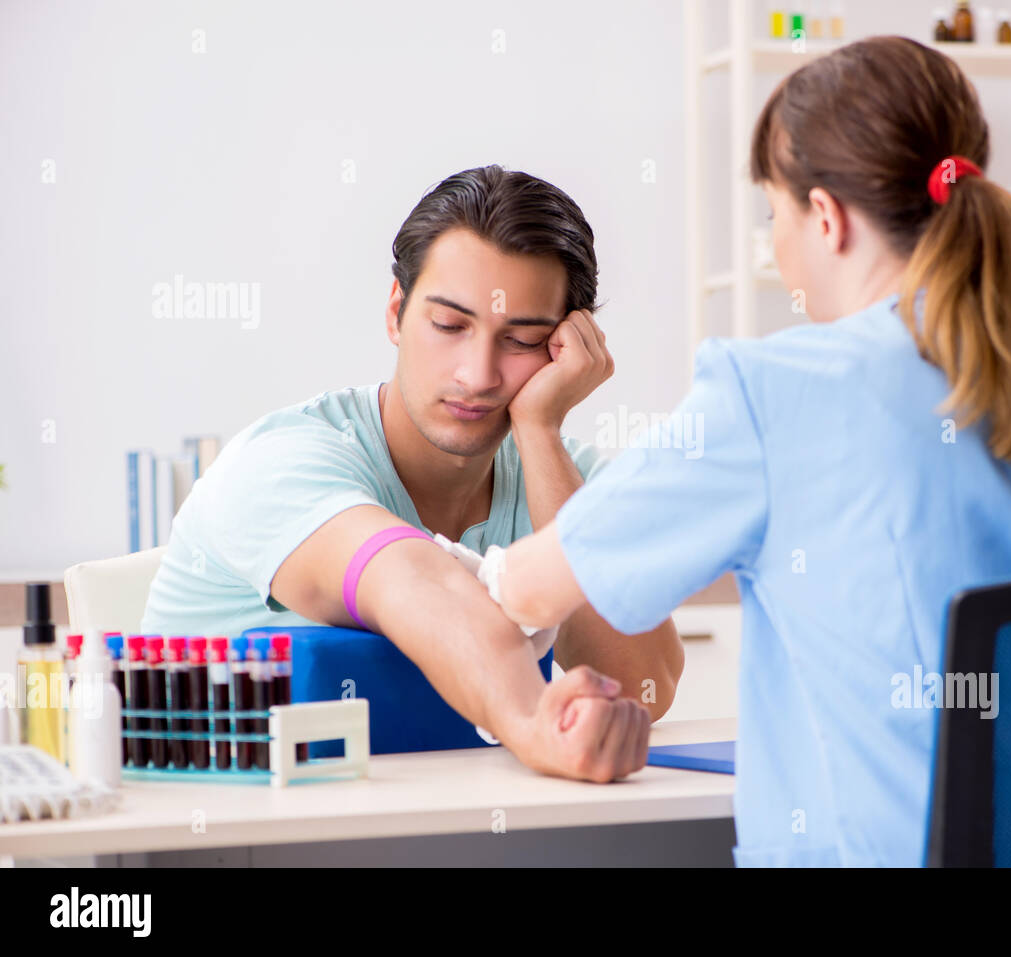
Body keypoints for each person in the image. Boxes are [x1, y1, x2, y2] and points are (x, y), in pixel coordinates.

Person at [492, 37, 1011, 866]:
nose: (778, 245)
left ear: (826, 217)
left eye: (774, 215)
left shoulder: (778, 389)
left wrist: (511, 488)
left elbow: (534, 585)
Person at [139, 165, 681, 783]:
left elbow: (643, 688)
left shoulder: (561, 473)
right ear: (396, 313)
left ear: (566, 345)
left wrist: (539, 433)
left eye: (522, 339)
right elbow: (410, 580)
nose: (477, 374)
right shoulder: (282, 461)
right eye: (449, 326)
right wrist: (533, 725)